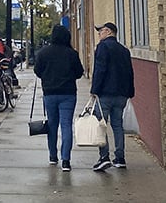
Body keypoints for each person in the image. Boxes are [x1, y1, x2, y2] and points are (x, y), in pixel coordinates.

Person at [34, 24, 84, 172]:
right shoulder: (71, 53)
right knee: (66, 125)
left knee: (52, 125)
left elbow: (37, 71)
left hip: (49, 93)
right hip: (68, 93)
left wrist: (47, 77)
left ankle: (52, 156)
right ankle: (66, 160)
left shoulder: (43, 53)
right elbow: (79, 72)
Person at [90, 21, 134, 171]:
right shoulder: (124, 50)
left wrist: (94, 89)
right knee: (117, 125)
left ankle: (104, 157)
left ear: (108, 31)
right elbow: (130, 72)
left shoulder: (103, 47)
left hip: (105, 93)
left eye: (100, 31)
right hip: (121, 94)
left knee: (101, 125)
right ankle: (120, 158)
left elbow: (100, 69)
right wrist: (130, 92)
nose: (99, 34)